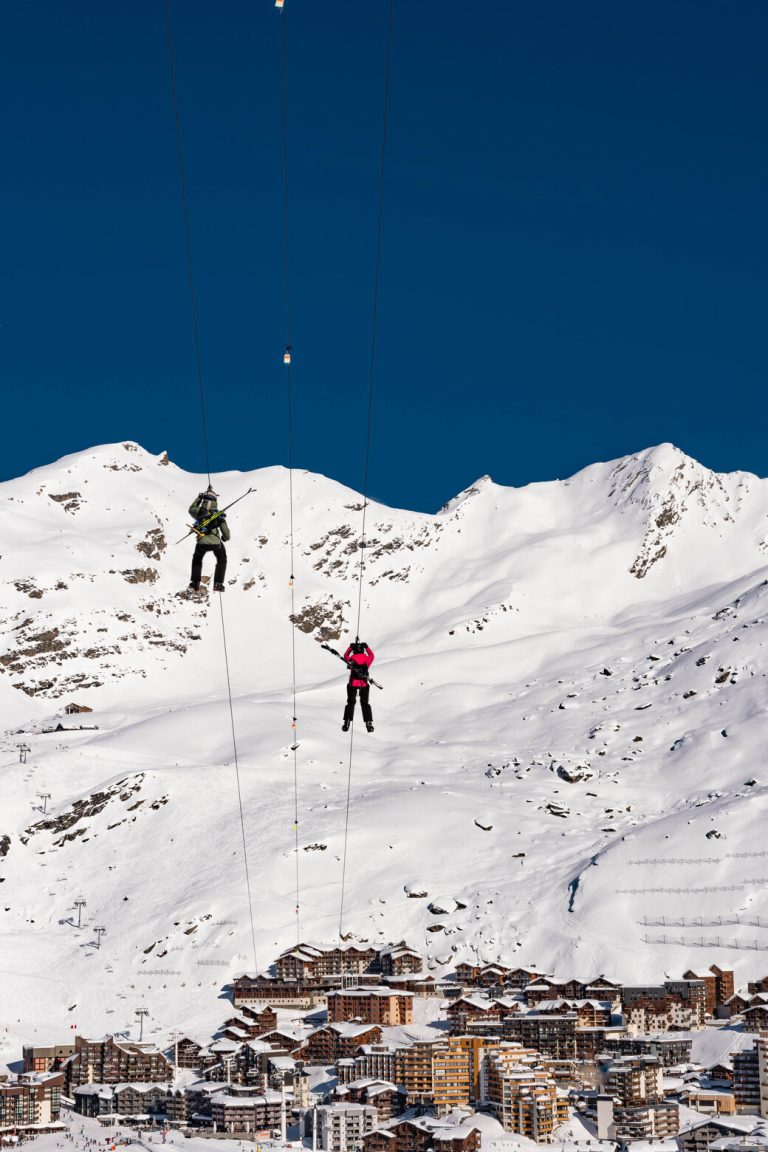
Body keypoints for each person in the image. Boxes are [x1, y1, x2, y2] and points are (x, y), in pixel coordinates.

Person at [188, 485, 230, 592]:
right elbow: (227, 534)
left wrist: (199, 498)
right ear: (215, 501)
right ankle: (218, 584)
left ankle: (195, 583)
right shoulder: (218, 515)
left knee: (197, 559)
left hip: (202, 542)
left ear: (204, 501)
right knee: (222, 559)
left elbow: (191, 509)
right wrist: (224, 538)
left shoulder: (198, 512)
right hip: (216, 543)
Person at [342, 639, 374, 732]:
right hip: (363, 684)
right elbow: (372, 655)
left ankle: (347, 722)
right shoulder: (366, 659)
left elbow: (345, 656)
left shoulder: (351, 659)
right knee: (365, 703)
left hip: (352, 683)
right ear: (362, 650)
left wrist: (349, 647)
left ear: (354, 650)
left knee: (351, 703)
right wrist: (367, 647)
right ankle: (368, 723)